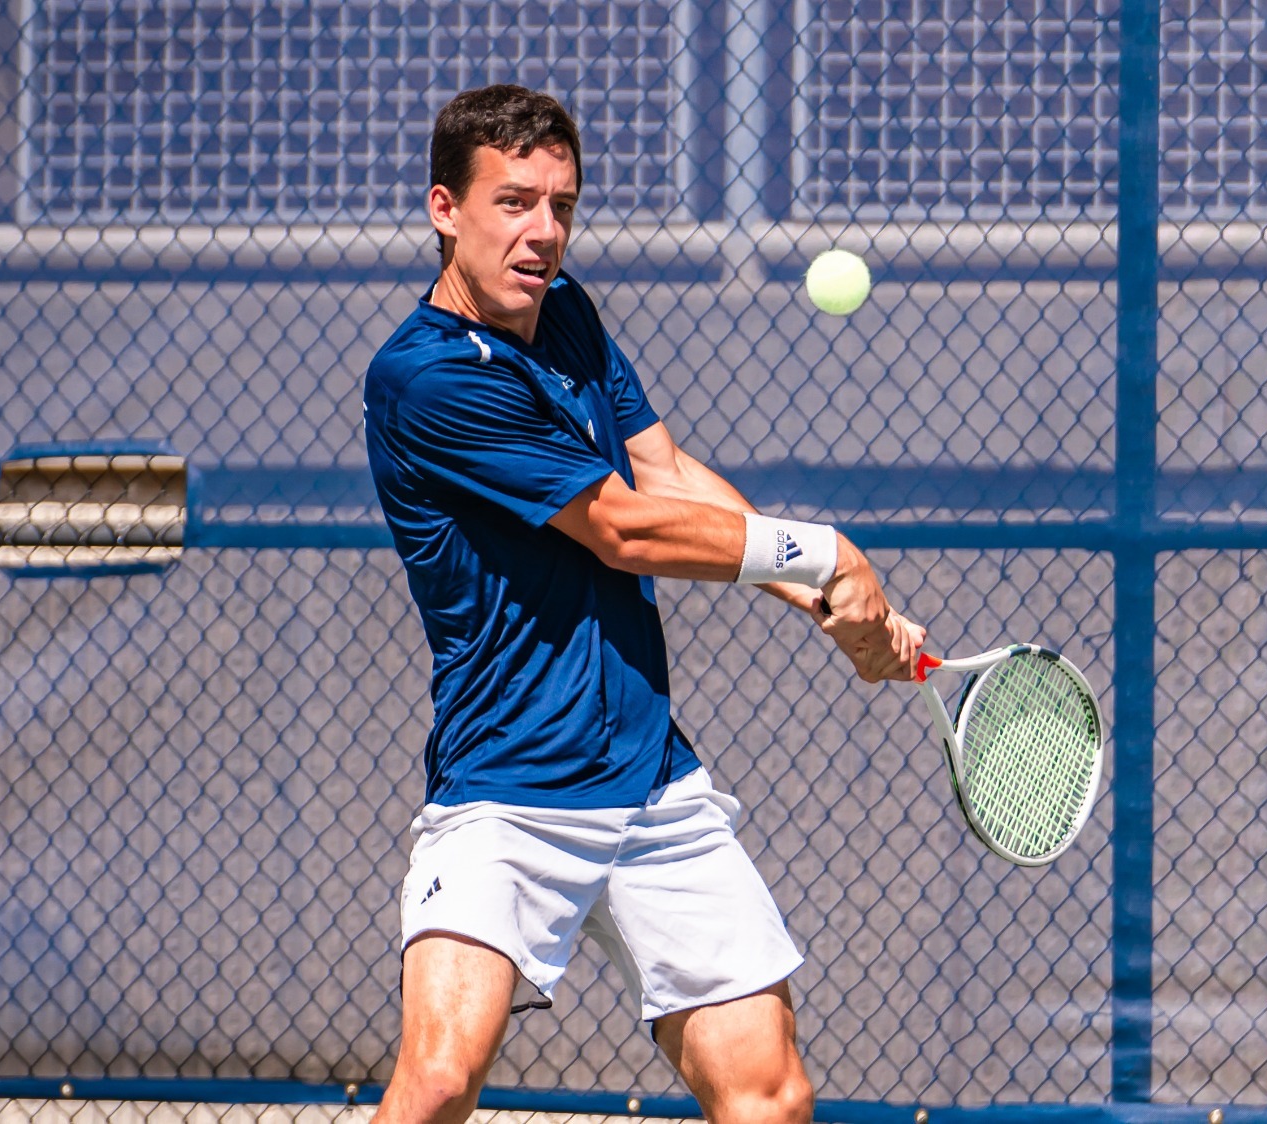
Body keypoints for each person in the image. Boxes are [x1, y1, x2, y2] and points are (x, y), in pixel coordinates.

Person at [362, 84, 926, 1124]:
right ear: (444, 207)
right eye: (514, 203)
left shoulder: (565, 315)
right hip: (506, 789)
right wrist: (826, 549)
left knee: (769, 1090)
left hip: (650, 782)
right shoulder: (424, 377)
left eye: (562, 206)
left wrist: (813, 592)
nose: (543, 233)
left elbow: (660, 470)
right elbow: (620, 525)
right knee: (438, 1079)